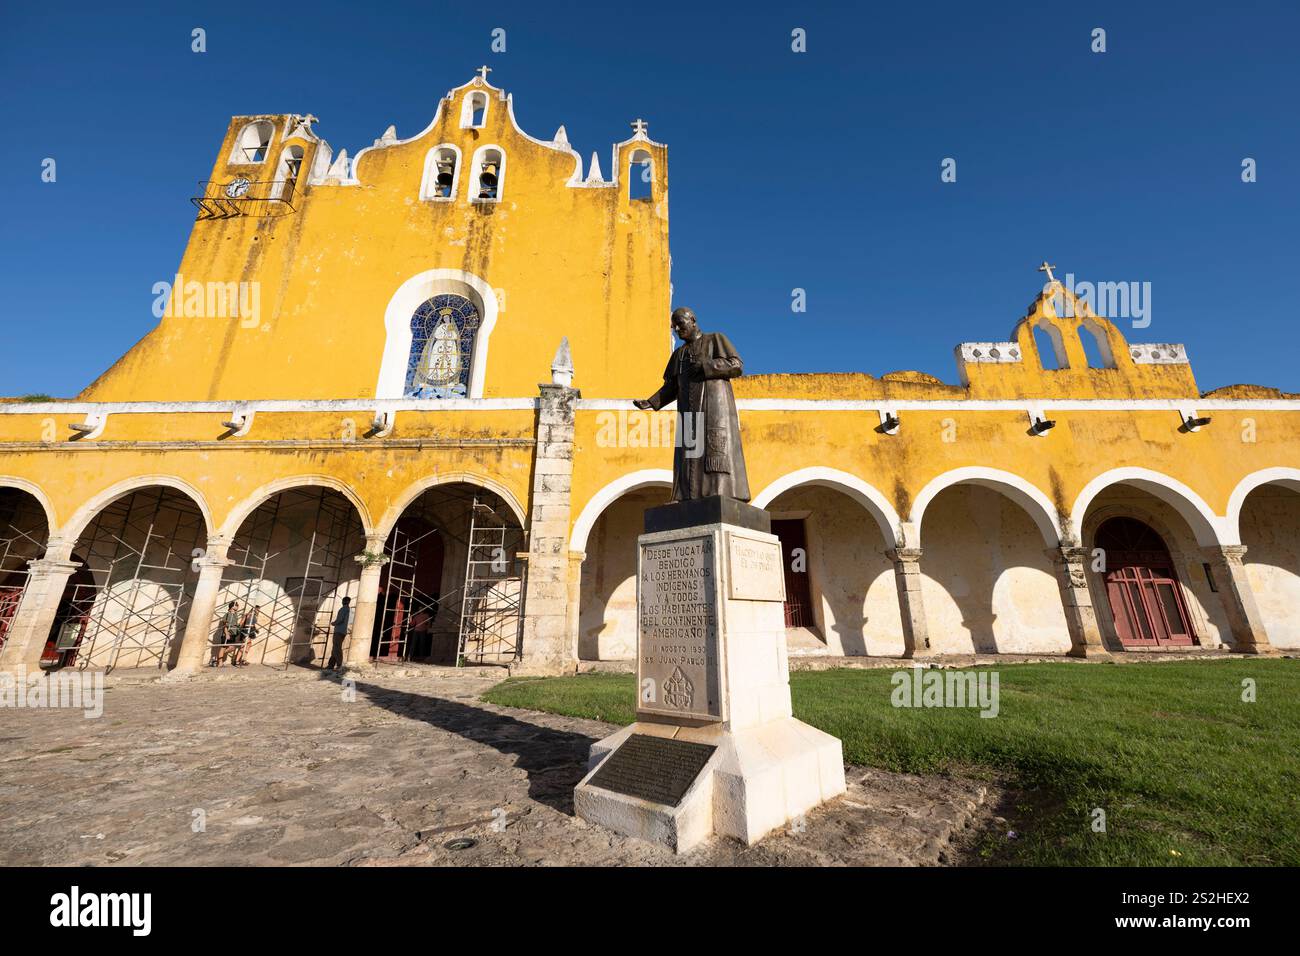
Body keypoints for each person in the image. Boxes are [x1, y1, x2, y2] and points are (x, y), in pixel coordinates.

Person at [634, 306, 751, 502]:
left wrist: (707, 366)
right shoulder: (678, 355)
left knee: (714, 451)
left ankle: (718, 493)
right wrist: (651, 402)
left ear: (693, 321)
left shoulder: (715, 340)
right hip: (688, 412)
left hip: (713, 407)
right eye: (674, 327)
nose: (677, 329)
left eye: (680, 324)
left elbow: (737, 365)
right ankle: (686, 496)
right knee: (687, 454)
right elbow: (672, 386)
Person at [327, 596, 353, 671]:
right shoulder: (349, 610)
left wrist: (333, 623)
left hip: (339, 631)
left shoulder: (343, 609)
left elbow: (340, 620)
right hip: (343, 631)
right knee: (335, 648)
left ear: (343, 601)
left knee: (337, 648)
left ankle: (339, 665)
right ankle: (331, 665)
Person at [212, 601, 241, 667]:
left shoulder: (235, 614)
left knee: (232, 648)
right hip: (227, 633)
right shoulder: (227, 614)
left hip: (233, 633)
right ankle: (220, 662)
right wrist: (226, 633)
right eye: (237, 605)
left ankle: (217, 657)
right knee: (223, 647)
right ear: (233, 606)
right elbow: (224, 625)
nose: (238, 607)